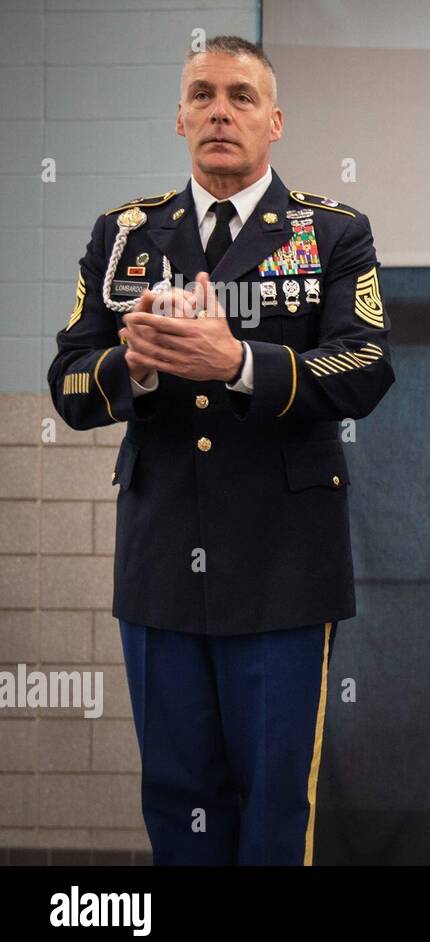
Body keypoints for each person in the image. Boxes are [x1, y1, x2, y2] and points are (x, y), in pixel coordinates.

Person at [46, 36, 394, 865]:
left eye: (240, 97)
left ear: (274, 121)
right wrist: (128, 366)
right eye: (202, 95)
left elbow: (368, 366)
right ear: (178, 118)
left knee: (272, 804)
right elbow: (65, 382)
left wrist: (238, 363)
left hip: (283, 566)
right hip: (163, 558)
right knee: (177, 798)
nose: (219, 111)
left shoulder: (332, 232)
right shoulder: (125, 234)